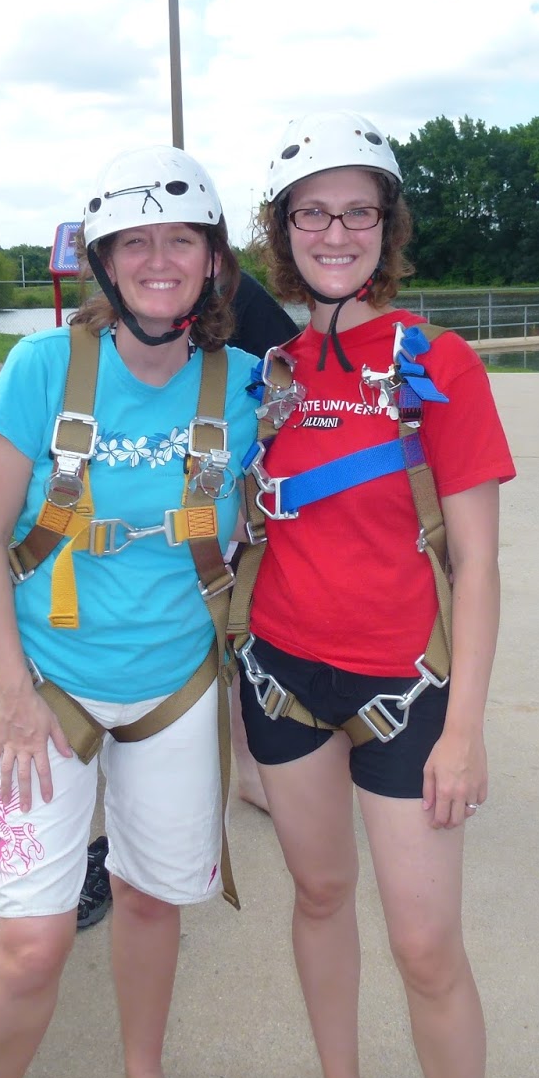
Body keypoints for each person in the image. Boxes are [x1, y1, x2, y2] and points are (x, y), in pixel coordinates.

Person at [0, 144, 258, 1078]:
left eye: (183, 241)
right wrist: (9, 691)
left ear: (214, 262)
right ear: (105, 261)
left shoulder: (249, 384)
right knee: (34, 940)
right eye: (137, 243)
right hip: (46, 684)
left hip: (175, 685)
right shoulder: (43, 365)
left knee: (149, 899)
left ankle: (144, 1076)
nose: (160, 259)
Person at [236, 110, 516, 1078]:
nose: (336, 233)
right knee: (317, 896)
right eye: (313, 214)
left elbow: (478, 563)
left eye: (359, 212)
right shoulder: (252, 365)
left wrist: (468, 730)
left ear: (387, 227)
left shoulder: (436, 360)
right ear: (283, 230)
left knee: (425, 944)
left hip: (407, 689)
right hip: (280, 679)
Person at [226, 270, 299, 812]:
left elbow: (283, 380)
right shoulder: (223, 288)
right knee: (234, 626)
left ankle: (252, 766)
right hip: (221, 476)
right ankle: (248, 769)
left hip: (245, 467)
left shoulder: (235, 294)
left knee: (239, 624)